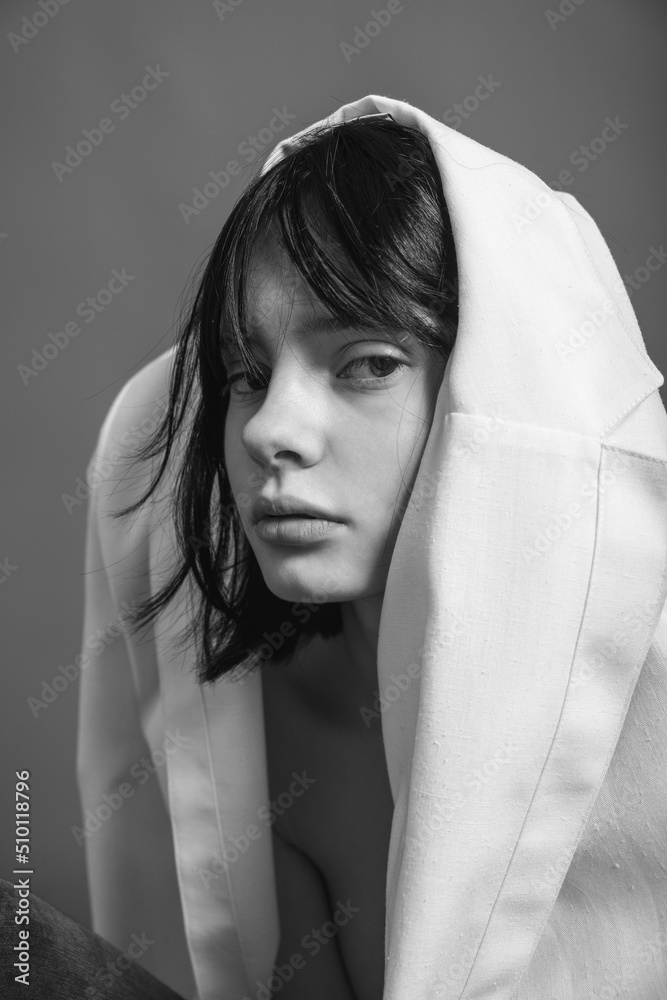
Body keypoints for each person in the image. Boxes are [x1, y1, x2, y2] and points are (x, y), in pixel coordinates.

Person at [5, 94, 667, 1000]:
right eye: (246, 373)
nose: (268, 430)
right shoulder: (262, 716)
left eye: (366, 363)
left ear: (496, 401)